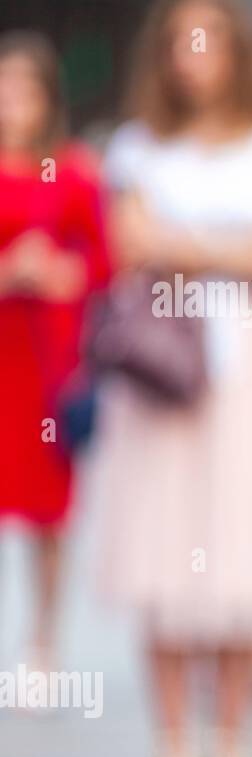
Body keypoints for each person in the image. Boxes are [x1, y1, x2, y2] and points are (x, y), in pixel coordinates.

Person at [97, 0, 252, 757]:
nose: (191, 57)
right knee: (162, 543)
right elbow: (128, 245)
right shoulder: (136, 147)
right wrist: (240, 247)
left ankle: (230, 741)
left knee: (248, 545)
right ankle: (173, 744)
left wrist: (185, 243)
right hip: (164, 361)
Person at [0, 32, 110, 677]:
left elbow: (102, 260)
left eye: (24, 90)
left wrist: (66, 272)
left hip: (46, 365)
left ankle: (42, 644)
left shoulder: (70, 171)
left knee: (46, 515)